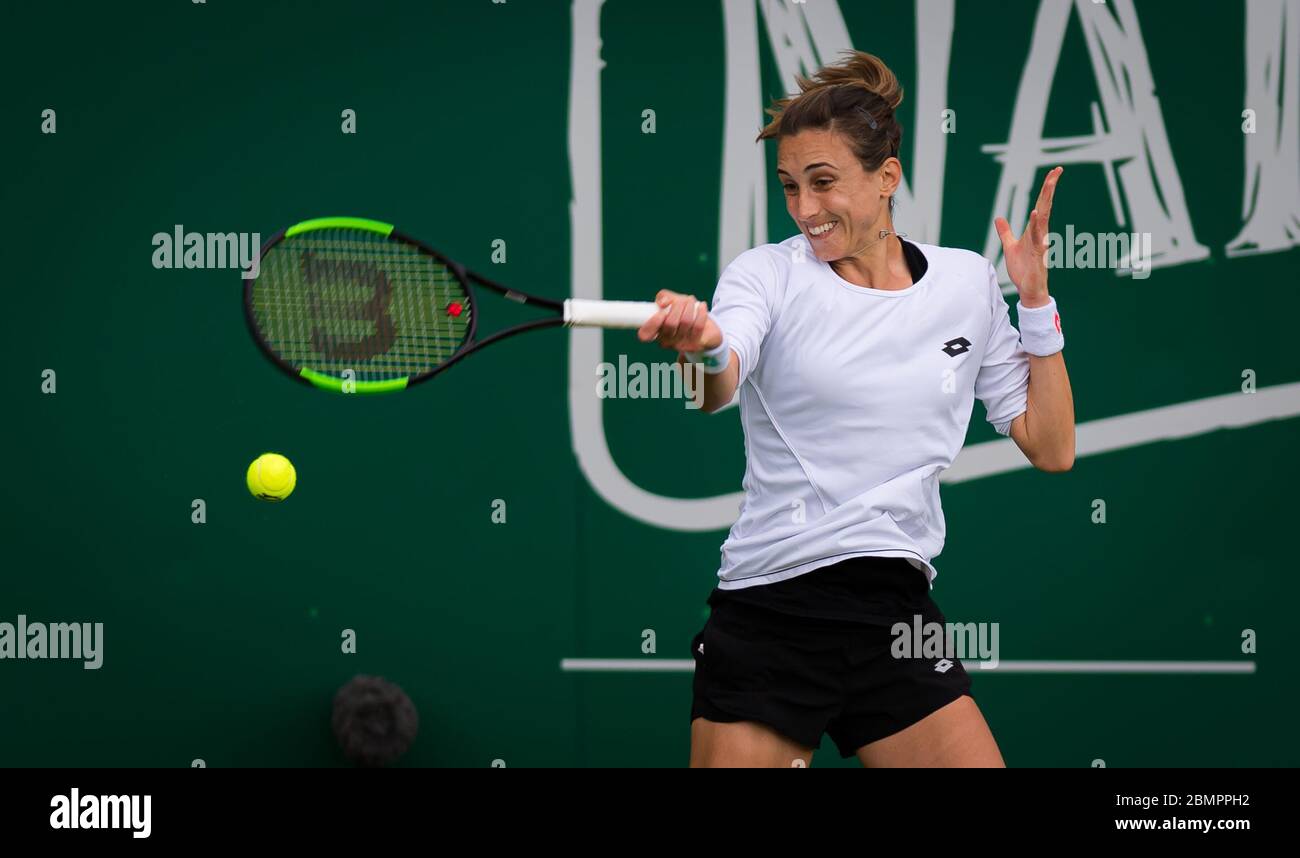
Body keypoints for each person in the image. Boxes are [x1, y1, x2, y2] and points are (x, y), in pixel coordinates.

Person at [638, 50, 1075, 767]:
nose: (804, 209)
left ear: (887, 178)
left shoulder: (966, 283)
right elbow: (718, 385)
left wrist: (1034, 304)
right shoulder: (766, 275)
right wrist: (704, 347)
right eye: (789, 187)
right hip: (773, 608)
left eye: (823, 182)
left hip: (896, 611)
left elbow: (1052, 448)